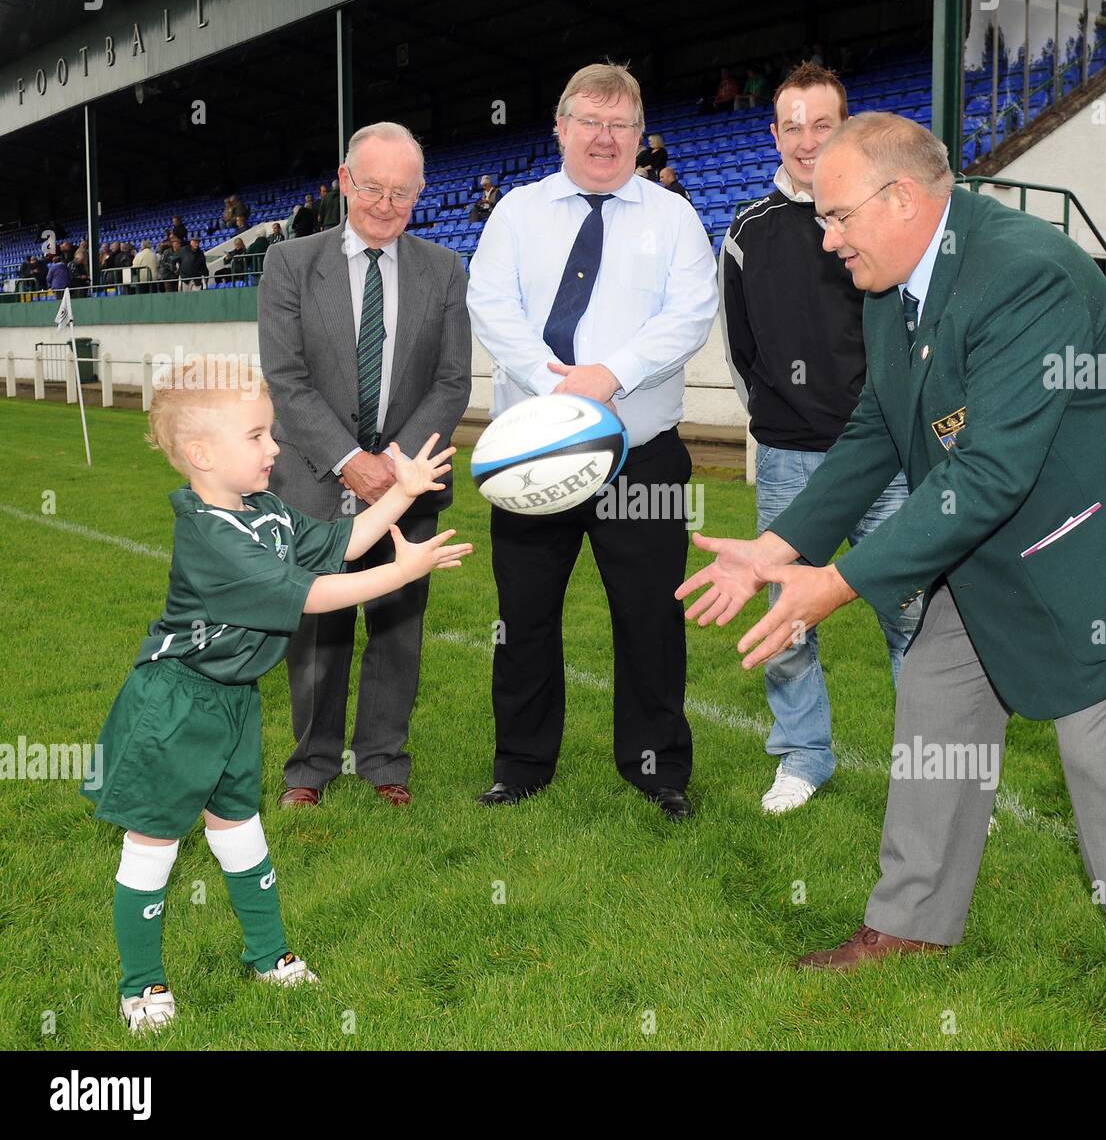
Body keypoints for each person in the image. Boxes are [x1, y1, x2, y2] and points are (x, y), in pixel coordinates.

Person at [678, 112, 1106, 1037]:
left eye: (837, 216)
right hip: (995, 545)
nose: (827, 238)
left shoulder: (1027, 272)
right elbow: (880, 429)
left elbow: (988, 473)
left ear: (903, 199)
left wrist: (841, 583)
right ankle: (912, 924)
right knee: (936, 709)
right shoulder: (888, 274)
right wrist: (785, 546)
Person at [81, 354, 469, 1032]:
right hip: (175, 706)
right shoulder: (208, 535)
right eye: (257, 435)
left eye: (271, 432)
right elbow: (313, 594)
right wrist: (402, 571)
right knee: (154, 845)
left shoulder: (264, 511)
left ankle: (268, 955)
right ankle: (140, 985)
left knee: (242, 831)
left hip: (233, 702)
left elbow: (341, 544)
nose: (276, 447)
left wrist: (400, 494)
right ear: (201, 453)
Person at [466, 61, 718, 820]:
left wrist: (611, 374)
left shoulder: (673, 218)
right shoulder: (515, 211)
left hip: (641, 453)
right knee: (525, 613)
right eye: (591, 122)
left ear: (641, 136)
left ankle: (658, 768)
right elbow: (490, 303)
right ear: (561, 128)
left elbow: (691, 312)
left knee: (649, 614)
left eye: (622, 125)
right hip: (535, 450)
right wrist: (559, 391)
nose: (605, 138)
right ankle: (521, 762)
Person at [719, 64, 917, 815]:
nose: (806, 141)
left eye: (821, 125)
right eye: (791, 126)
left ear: (847, 128)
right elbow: (742, 355)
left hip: (888, 458)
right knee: (789, 617)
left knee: (911, 611)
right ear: (774, 134)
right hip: (790, 457)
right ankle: (804, 755)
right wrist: (779, 421)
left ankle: (933, 770)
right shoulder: (747, 232)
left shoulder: (882, 217)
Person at [259, 121, 472, 809]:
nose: (387, 204)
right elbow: (286, 378)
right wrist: (350, 460)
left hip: (408, 481)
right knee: (317, 627)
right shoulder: (290, 263)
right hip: (314, 480)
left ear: (420, 194)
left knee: (397, 622)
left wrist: (396, 466)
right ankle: (310, 769)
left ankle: (385, 758)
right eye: (374, 187)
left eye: (403, 193)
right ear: (345, 180)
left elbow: (452, 381)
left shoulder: (444, 268)